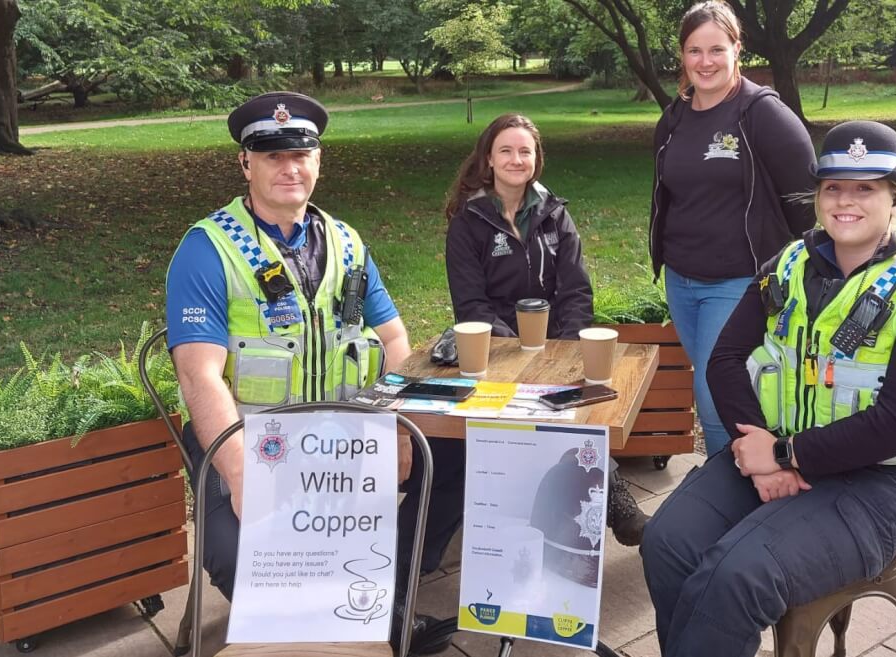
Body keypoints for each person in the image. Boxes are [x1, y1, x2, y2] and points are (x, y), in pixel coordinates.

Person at [640, 120, 896, 656]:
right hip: (772, 446)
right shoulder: (787, 266)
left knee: (733, 578)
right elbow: (724, 358)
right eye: (833, 187)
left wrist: (787, 454)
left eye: (866, 189)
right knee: (666, 543)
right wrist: (760, 450)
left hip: (876, 485)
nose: (846, 201)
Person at [164, 91, 453, 654]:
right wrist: (245, 476)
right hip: (247, 448)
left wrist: (396, 428)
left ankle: (378, 606)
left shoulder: (345, 242)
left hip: (340, 446)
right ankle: (361, 619)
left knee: (452, 463)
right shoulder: (207, 249)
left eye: (302, 154)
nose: (289, 168)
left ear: (318, 162)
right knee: (264, 579)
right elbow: (199, 377)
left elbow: (394, 339)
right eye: (272, 156)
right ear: (245, 163)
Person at [431, 113, 648, 547]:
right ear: (488, 160)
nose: (516, 159)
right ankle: (614, 499)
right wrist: (522, 353)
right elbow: (471, 306)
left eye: (524, 151)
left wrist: (562, 350)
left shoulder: (555, 215)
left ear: (537, 159)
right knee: (532, 412)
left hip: (555, 346)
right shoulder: (468, 223)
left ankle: (609, 500)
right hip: (494, 348)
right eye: (505, 151)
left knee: (569, 402)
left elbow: (576, 292)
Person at [649, 1, 818, 457]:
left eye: (716, 49)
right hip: (681, 279)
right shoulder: (675, 116)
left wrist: (781, 261)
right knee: (725, 388)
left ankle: (732, 493)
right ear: (682, 55)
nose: (705, 61)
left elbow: (807, 200)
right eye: (694, 50)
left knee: (715, 391)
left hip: (741, 280)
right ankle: (736, 484)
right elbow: (669, 193)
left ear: (737, 49)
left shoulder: (762, 114)